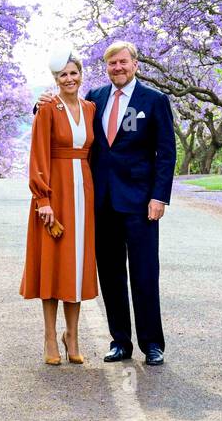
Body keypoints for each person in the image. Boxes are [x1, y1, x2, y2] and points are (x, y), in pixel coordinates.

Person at [36, 40, 175, 366]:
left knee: (143, 274)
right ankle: (120, 342)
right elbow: (66, 116)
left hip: (141, 204)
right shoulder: (94, 99)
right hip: (101, 203)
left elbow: (166, 153)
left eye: (123, 63)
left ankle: (152, 343)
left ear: (135, 64)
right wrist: (40, 104)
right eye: (112, 64)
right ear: (106, 67)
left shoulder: (154, 101)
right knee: (111, 276)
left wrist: (159, 197)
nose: (118, 68)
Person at [20, 49, 98, 365]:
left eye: (74, 73)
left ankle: (73, 335)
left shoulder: (91, 108)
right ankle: (50, 337)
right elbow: (38, 154)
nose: (69, 79)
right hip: (55, 195)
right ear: (55, 79)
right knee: (52, 265)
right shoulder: (48, 109)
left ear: (81, 75)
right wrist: (43, 200)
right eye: (63, 74)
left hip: (84, 195)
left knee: (76, 266)